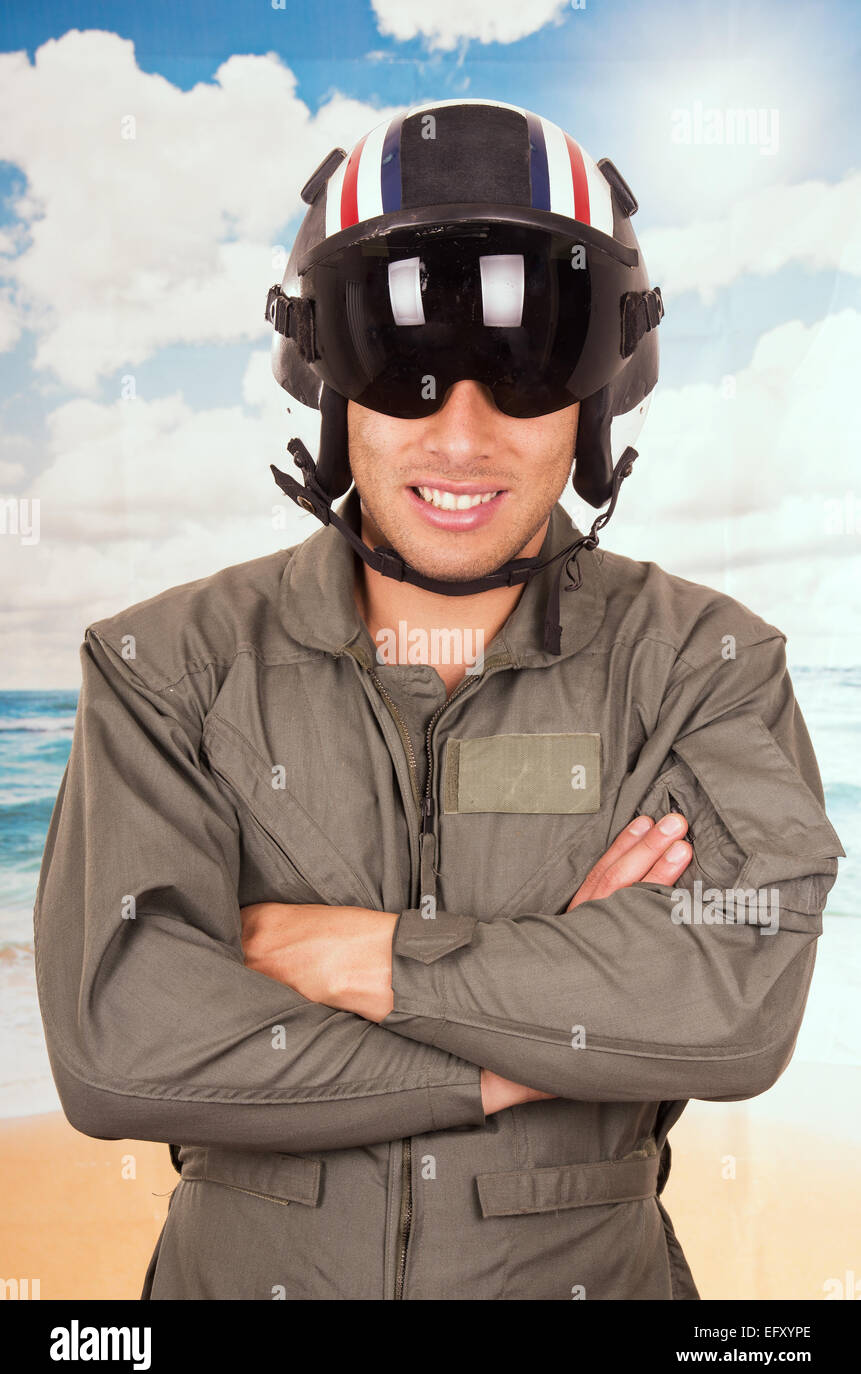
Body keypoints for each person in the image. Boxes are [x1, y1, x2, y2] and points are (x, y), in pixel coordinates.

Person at [35, 99, 844, 1301]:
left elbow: (728, 1007)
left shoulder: (706, 665)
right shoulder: (165, 666)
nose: (461, 434)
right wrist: (525, 1046)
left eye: (526, 365)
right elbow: (120, 1048)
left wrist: (366, 956)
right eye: (403, 364)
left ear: (596, 402)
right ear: (331, 388)